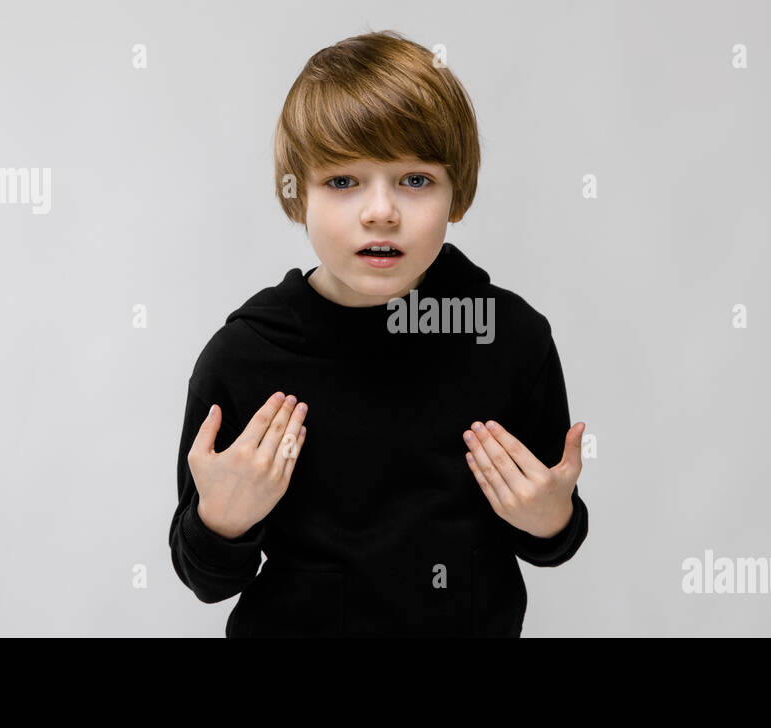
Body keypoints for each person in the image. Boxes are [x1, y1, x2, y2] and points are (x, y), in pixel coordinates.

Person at [169, 29, 588, 637]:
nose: (380, 211)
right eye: (343, 182)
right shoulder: (245, 356)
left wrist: (553, 518)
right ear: (298, 197)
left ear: (456, 194)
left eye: (415, 180)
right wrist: (222, 521)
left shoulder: (510, 338)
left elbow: (552, 540)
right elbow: (205, 577)